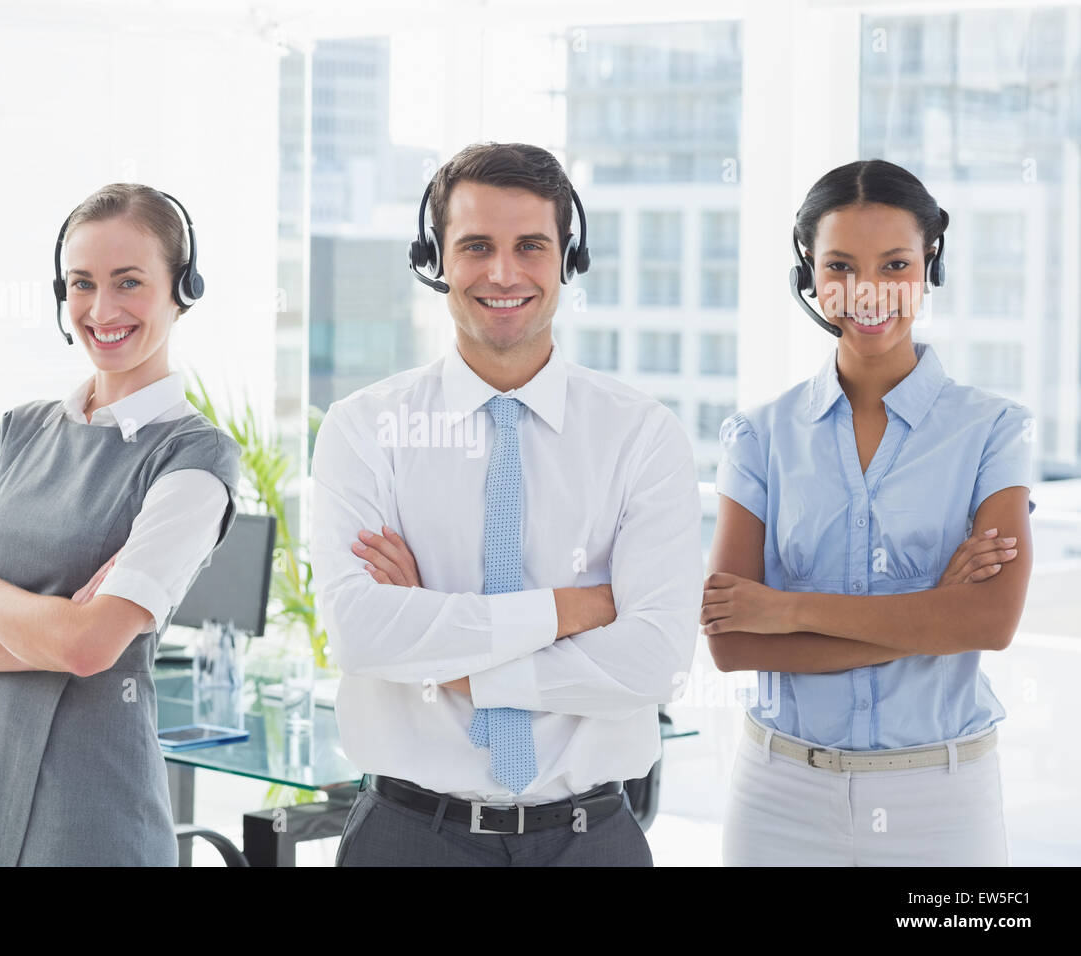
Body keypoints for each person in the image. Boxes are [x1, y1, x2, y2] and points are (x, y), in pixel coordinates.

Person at [310, 142, 702, 867]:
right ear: (436, 259)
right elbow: (360, 632)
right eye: (476, 246)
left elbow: (653, 663)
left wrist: (439, 646)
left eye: (530, 246)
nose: (503, 273)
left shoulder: (642, 435)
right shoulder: (365, 429)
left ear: (566, 260)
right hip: (407, 837)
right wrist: (571, 608)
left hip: (593, 842)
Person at [703, 159, 1035, 866]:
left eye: (895, 264)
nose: (868, 291)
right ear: (810, 276)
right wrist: (930, 614)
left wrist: (788, 609)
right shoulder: (759, 436)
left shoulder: (994, 430)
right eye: (840, 265)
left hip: (942, 804)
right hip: (779, 795)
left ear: (928, 266)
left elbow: (988, 622)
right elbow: (733, 641)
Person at [0, 184, 241, 866]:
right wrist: (59, 634)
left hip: (96, 814)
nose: (102, 309)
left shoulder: (193, 457)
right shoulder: (17, 433)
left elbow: (91, 651)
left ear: (182, 289)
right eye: (82, 284)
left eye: (129, 282)